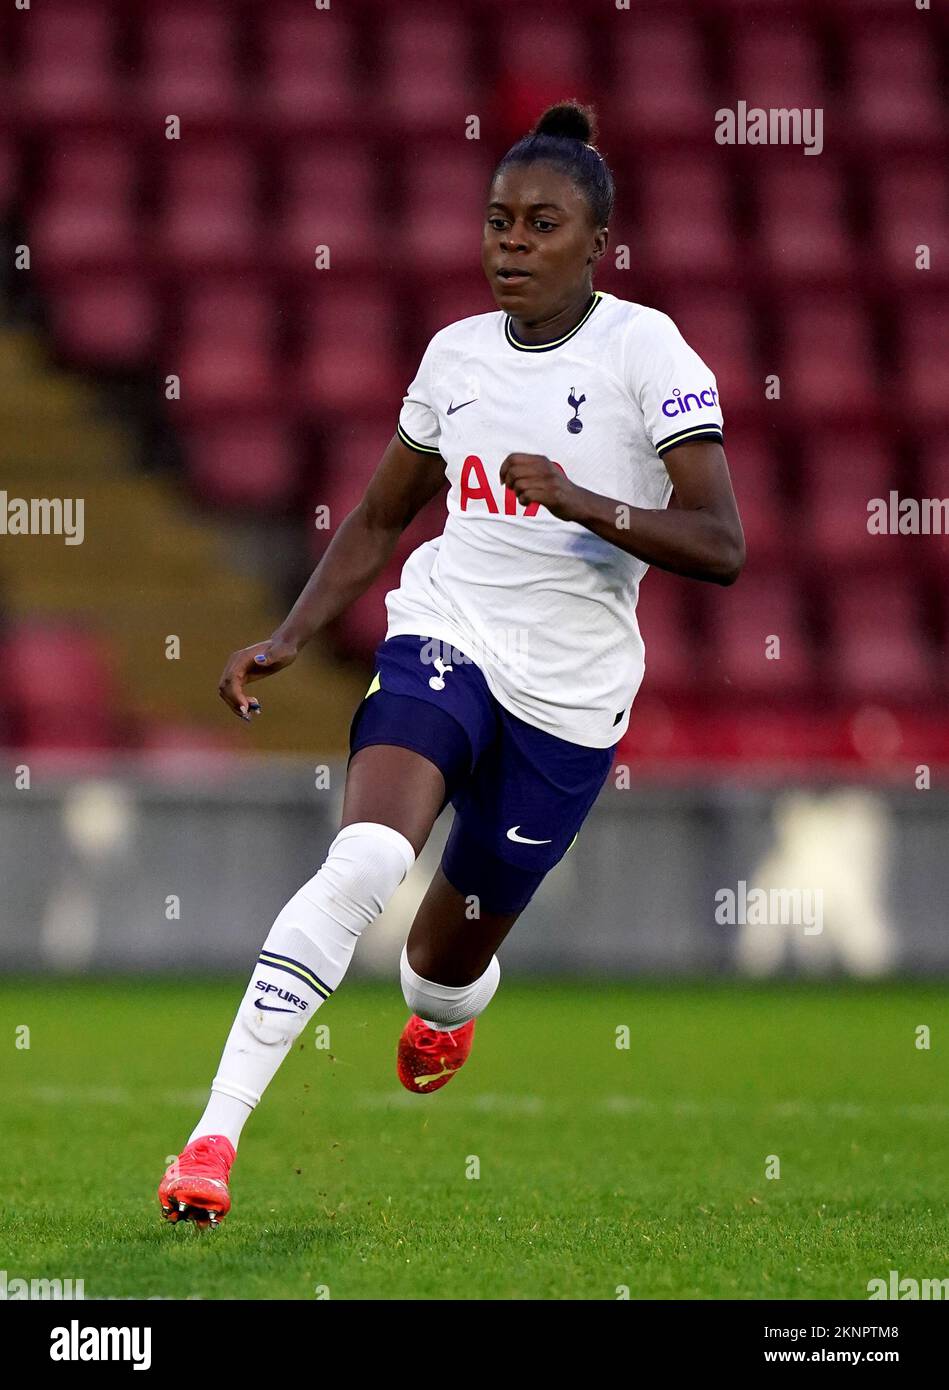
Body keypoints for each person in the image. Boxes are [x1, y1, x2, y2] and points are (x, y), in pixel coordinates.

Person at [158, 100, 744, 1227]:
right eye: (496, 223)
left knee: (435, 966)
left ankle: (447, 1005)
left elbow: (721, 544)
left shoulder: (647, 352)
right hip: (445, 637)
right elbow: (382, 519)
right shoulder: (455, 357)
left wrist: (579, 498)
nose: (510, 245)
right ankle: (211, 1138)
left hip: (570, 698)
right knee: (366, 858)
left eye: (540, 225)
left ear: (597, 246)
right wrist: (290, 632)